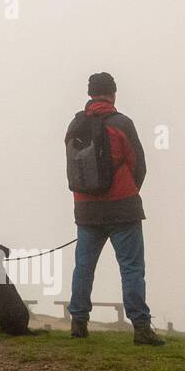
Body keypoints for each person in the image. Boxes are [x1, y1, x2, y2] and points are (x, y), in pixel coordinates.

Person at [65, 72, 165, 346]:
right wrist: (128, 192)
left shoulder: (74, 125)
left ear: (90, 94)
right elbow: (138, 164)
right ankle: (141, 328)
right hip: (123, 209)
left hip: (86, 210)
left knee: (83, 266)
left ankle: (78, 323)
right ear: (113, 93)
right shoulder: (122, 124)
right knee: (131, 268)